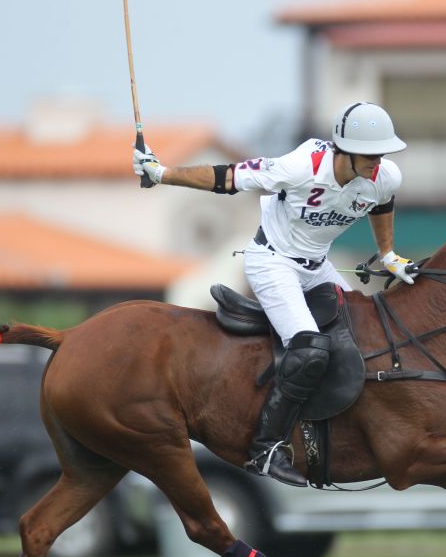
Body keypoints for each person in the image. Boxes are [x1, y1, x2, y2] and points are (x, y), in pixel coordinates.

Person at [133, 101, 416, 486]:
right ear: (344, 151)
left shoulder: (385, 176)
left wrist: (388, 254)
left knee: (369, 337)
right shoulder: (299, 167)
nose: (377, 161)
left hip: (319, 266)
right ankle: (265, 448)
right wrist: (162, 173)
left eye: (382, 153)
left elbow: (382, 205)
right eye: (369, 154)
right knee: (309, 349)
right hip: (272, 262)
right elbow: (228, 177)